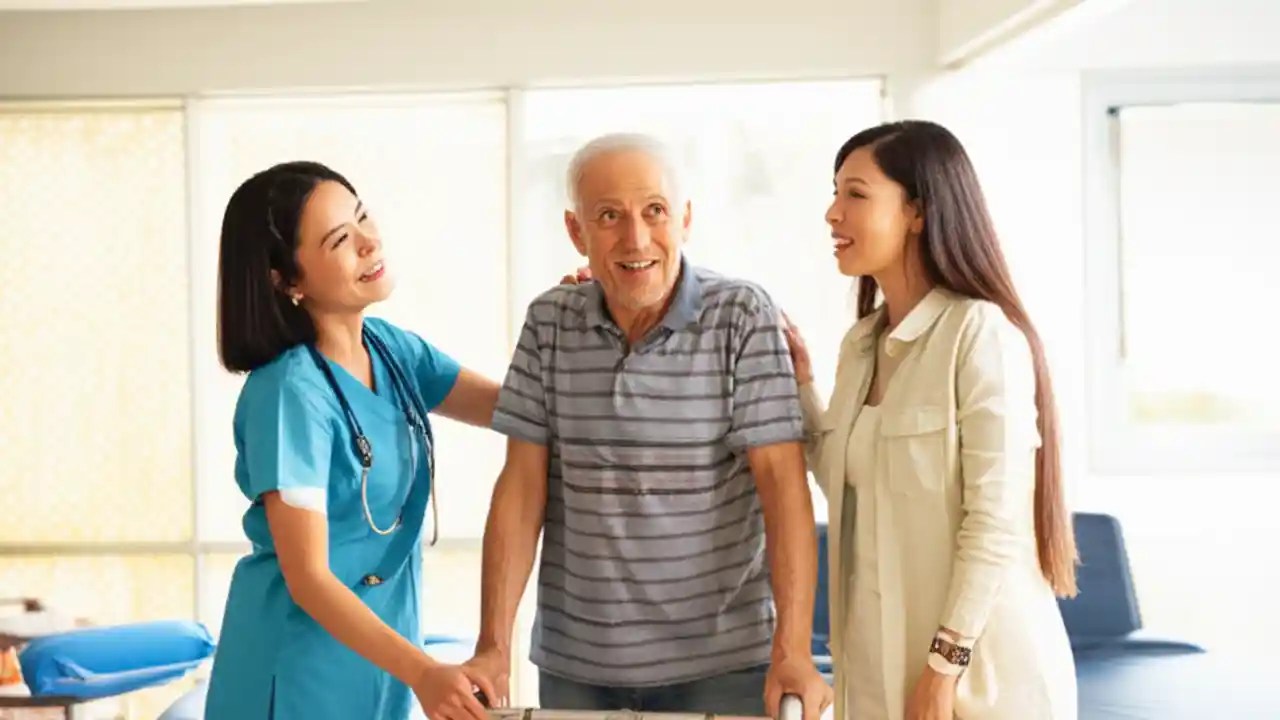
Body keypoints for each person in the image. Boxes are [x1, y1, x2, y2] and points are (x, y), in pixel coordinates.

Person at [462, 134, 833, 720]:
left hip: (724, 665)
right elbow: (521, 489)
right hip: (575, 667)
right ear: (576, 231)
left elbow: (783, 490)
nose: (635, 239)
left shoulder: (741, 315)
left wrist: (793, 648)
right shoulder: (548, 322)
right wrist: (492, 647)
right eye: (608, 216)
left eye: (654, 211)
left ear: (684, 219)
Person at [781, 120, 1078, 720]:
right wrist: (801, 383)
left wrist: (943, 670)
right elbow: (844, 471)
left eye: (855, 194)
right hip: (879, 675)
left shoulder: (980, 333)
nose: (832, 214)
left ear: (917, 211)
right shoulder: (861, 343)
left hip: (983, 682)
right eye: (835, 193)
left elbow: (996, 523)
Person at [204, 161, 502, 720]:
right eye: (341, 239)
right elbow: (310, 579)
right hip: (295, 665)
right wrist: (423, 671)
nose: (370, 241)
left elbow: (513, 408)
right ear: (286, 280)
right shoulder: (290, 393)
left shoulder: (390, 349)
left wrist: (581, 317)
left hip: (377, 657)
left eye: (362, 215)